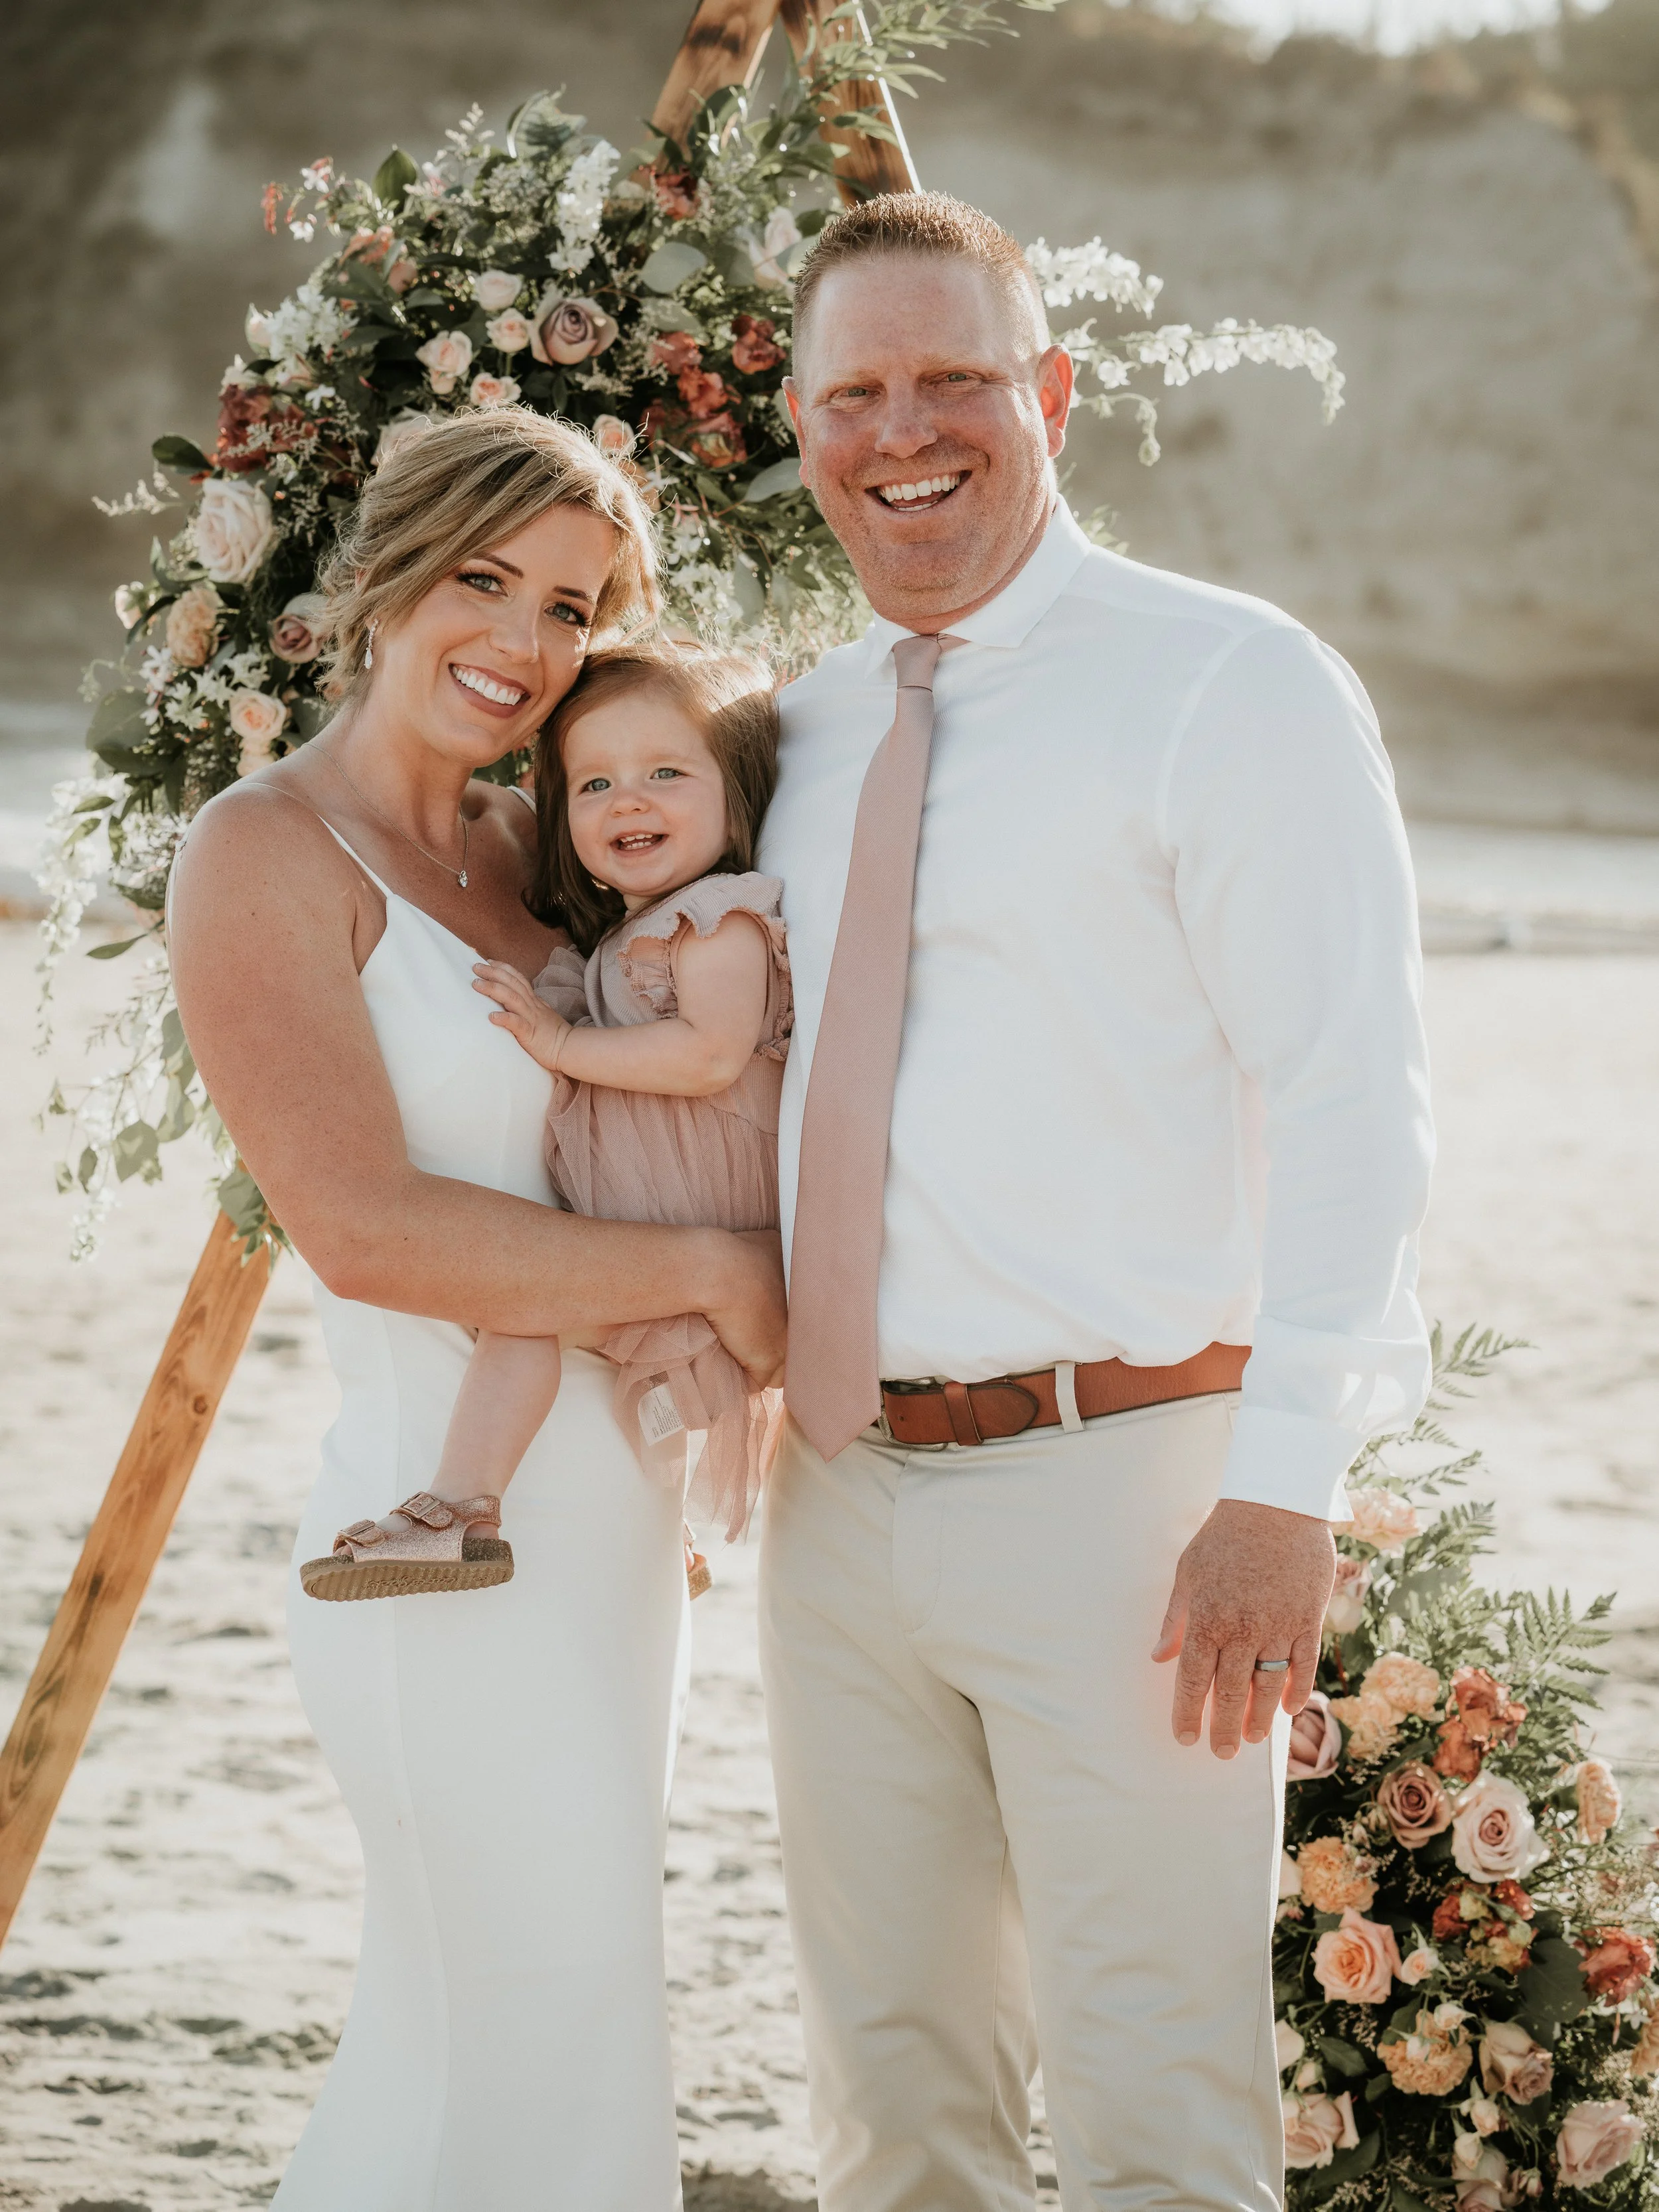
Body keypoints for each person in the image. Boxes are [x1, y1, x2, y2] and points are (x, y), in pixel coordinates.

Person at [757, 192, 1434, 2212]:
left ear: (1049, 393)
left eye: (954, 377)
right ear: (800, 429)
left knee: (1155, 2105)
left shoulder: (1229, 685)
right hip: (834, 1496)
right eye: (854, 392)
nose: (903, 430)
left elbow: (1353, 1101)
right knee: (891, 2108)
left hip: (1128, 1494)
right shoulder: (795, 731)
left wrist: (1282, 1485)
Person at [168, 407, 784, 2209]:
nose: (525, 641)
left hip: (614, 1537)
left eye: (571, 608)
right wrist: (713, 1273)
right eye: (485, 580)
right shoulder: (263, 852)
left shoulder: (547, 842)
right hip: (438, 1544)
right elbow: (364, 1230)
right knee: (519, 2028)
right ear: (388, 572)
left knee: (545, 2042)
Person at [299, 645, 789, 1601]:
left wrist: (563, 1045)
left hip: (697, 1213)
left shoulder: (721, 920)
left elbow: (709, 1056)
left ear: (736, 801)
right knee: (535, 1323)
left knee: (531, 1316)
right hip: (648, 1218)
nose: (627, 801)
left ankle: (458, 1506)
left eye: (666, 774)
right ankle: (486, 1513)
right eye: (595, 783)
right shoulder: (622, 936)